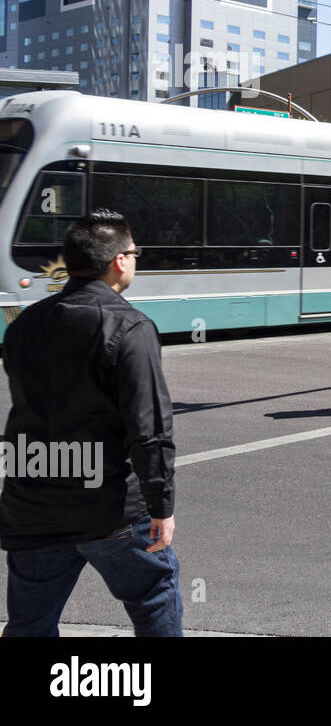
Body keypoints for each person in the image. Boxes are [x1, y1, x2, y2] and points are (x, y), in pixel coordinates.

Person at [1, 209, 181, 637]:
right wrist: (161, 506)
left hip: (31, 501)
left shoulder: (25, 324)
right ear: (120, 260)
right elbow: (150, 427)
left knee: (29, 624)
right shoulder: (129, 325)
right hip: (109, 508)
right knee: (154, 593)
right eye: (135, 253)